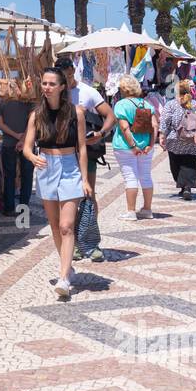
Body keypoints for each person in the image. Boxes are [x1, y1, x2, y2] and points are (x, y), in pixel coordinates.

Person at [22, 67, 92, 301]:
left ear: (62, 87)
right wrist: (33, 157)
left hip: (70, 166)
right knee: (54, 226)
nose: (47, 87)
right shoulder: (36, 115)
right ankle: (67, 266)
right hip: (46, 167)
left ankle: (63, 278)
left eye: (52, 84)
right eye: (44, 83)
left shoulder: (76, 113)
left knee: (66, 226)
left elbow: (82, 147)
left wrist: (85, 179)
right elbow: (26, 147)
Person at [61, 57, 114, 264]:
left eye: (67, 76)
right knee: (66, 199)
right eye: (62, 77)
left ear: (73, 71)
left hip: (86, 152)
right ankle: (71, 242)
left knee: (88, 194)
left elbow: (110, 116)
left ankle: (90, 242)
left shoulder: (88, 91)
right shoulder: (55, 91)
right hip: (63, 153)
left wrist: (100, 133)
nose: (65, 80)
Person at [110, 74, 159, 221]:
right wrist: (150, 144)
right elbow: (155, 125)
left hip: (125, 147)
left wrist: (132, 146)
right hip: (146, 147)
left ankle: (131, 211)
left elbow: (125, 128)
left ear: (123, 89)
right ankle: (147, 209)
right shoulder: (147, 104)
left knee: (130, 177)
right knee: (145, 176)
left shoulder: (121, 105)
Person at [159, 78, 196, 200]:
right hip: (194, 139)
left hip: (175, 139)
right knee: (192, 162)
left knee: (176, 162)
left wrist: (162, 135)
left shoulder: (171, 104)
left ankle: (182, 185)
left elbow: (165, 121)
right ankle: (187, 187)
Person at [0, 89, 34, 216]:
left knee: (9, 176)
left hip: (8, 143)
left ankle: (9, 208)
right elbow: (32, 122)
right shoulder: (28, 99)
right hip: (27, 143)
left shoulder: (1, 101)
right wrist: (22, 138)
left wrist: (16, 136)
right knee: (26, 176)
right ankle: (23, 208)